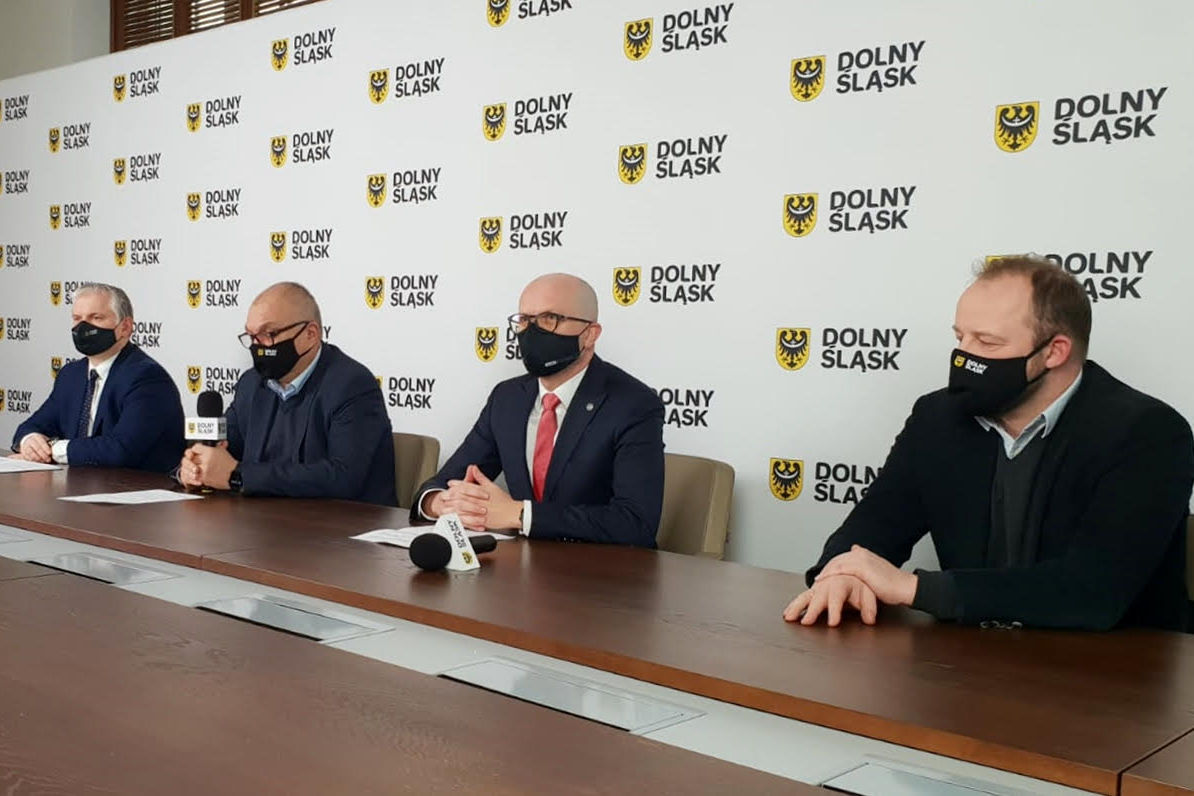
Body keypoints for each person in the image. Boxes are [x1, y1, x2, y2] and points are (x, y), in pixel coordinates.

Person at [784, 256, 1193, 631]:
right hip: (970, 664)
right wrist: (841, 574)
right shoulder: (937, 418)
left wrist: (914, 589)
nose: (963, 356)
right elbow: (874, 525)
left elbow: (1093, 591)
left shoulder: (1148, 432)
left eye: (987, 342)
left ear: (1055, 351)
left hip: (1117, 670)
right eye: (960, 337)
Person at [413, 273, 664, 546]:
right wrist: (440, 503)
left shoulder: (633, 404)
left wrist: (520, 515)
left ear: (590, 334)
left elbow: (635, 522)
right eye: (525, 320)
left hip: (599, 567)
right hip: (521, 563)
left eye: (550, 318)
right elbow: (447, 481)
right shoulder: (507, 398)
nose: (532, 332)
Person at [178, 281, 396, 505]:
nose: (258, 346)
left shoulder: (351, 385)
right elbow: (225, 449)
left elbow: (343, 477)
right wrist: (196, 468)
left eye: (269, 333)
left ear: (311, 334)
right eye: (252, 336)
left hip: (345, 522)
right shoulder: (251, 384)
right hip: (267, 520)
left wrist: (237, 475)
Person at [11, 282, 183, 472]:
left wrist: (53, 449)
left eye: (96, 318)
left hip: (135, 487)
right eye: (77, 318)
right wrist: (30, 441)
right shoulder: (71, 375)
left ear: (125, 327)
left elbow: (121, 449)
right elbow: (31, 427)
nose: (83, 327)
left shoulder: (147, 378)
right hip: (79, 484)